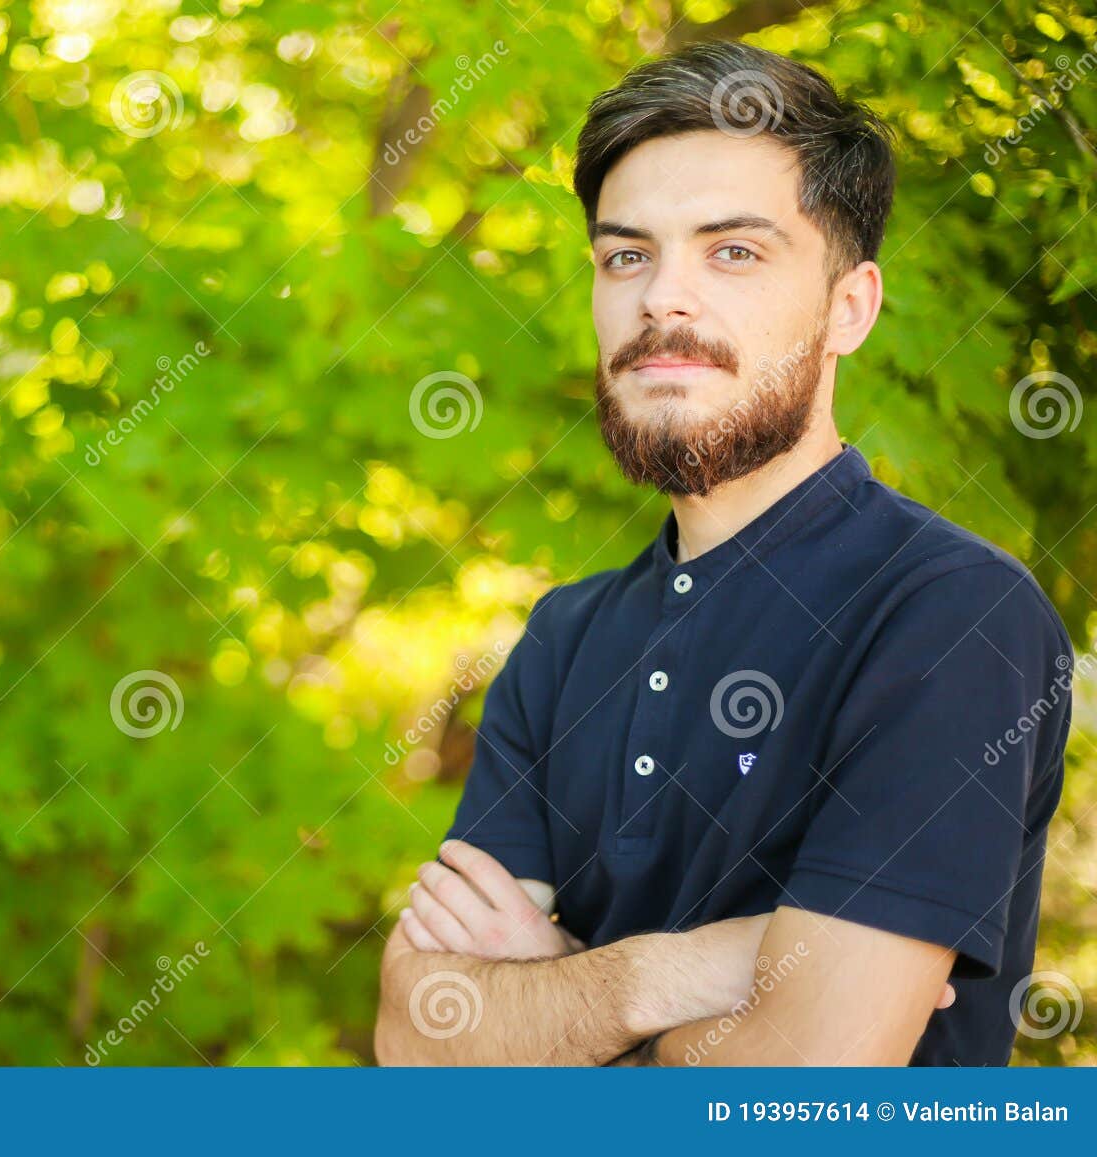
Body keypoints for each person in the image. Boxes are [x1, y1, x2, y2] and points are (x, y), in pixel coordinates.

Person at [373, 39, 1074, 1067]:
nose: (664, 299)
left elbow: (801, 1087)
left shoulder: (946, 613)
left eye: (732, 251)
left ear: (849, 308)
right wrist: (675, 971)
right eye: (627, 255)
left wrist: (551, 993)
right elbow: (419, 1037)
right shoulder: (565, 636)